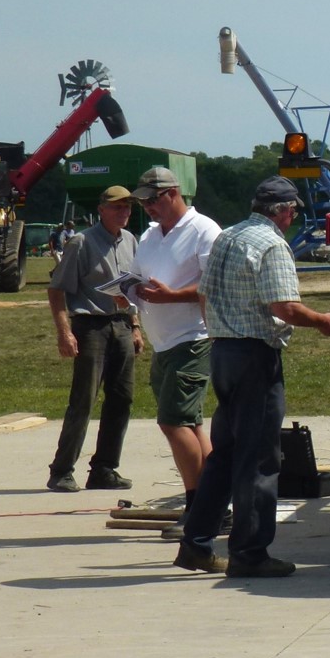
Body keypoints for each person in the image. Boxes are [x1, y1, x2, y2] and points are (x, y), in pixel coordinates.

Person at [172, 176, 330, 578]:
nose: (293, 217)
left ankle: (195, 544)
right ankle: (250, 553)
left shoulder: (227, 237)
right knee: (259, 461)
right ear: (283, 211)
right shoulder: (272, 245)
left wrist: (221, 329)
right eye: (294, 211)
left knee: (225, 455)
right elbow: (284, 305)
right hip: (254, 356)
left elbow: (203, 295)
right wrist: (322, 322)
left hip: (223, 351)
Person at [127, 167, 222, 535]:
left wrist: (172, 295)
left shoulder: (204, 230)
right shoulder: (150, 235)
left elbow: (212, 284)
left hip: (193, 337)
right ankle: (216, 500)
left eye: (152, 200)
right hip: (163, 342)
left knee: (173, 421)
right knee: (191, 425)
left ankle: (199, 506)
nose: (147, 208)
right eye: (143, 202)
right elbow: (136, 274)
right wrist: (127, 292)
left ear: (172, 193)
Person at [46, 185, 143, 493]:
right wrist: (65, 333)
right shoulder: (81, 241)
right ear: (102, 209)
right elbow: (56, 290)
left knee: (122, 399)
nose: (124, 212)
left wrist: (136, 327)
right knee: (83, 400)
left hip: (122, 327)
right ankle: (61, 470)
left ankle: (104, 469)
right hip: (90, 328)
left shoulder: (130, 241)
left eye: (128, 207)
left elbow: (131, 290)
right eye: (117, 207)